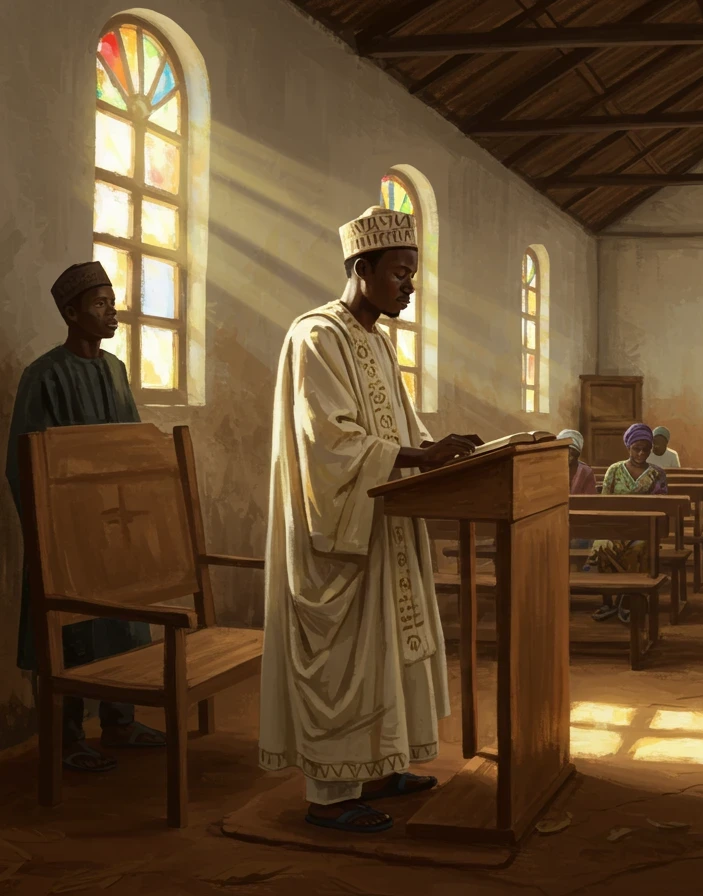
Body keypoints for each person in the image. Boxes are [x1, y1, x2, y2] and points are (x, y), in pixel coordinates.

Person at [258, 206, 481, 834]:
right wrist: (416, 455)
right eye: (401, 274)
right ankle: (330, 797)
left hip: (385, 522)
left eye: (413, 275)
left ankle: (381, 767)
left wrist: (445, 452)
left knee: (390, 649)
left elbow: (401, 428)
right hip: (340, 533)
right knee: (346, 658)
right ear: (362, 268)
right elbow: (327, 441)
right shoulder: (316, 337)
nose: (410, 286)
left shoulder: (377, 341)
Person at [5, 261, 165, 774]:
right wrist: (51, 528)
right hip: (68, 532)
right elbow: (23, 461)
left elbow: (132, 443)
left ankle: (119, 720)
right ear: (71, 313)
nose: (110, 310)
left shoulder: (115, 369)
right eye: (99, 303)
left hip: (117, 525)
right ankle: (67, 732)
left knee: (124, 622)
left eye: (111, 300)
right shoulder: (44, 375)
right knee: (70, 630)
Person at [590, 423, 669, 623]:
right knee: (603, 547)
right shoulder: (615, 470)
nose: (641, 453)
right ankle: (608, 601)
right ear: (628, 447)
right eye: (637, 448)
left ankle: (629, 599)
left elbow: (661, 507)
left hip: (644, 530)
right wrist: (614, 525)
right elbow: (604, 502)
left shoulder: (657, 474)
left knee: (638, 549)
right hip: (616, 527)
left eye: (646, 449)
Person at [559, 429, 598, 495]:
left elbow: (590, 500)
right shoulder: (551, 468)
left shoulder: (586, 472)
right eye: (564, 449)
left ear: (578, 453)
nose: (567, 453)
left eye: (572, 450)